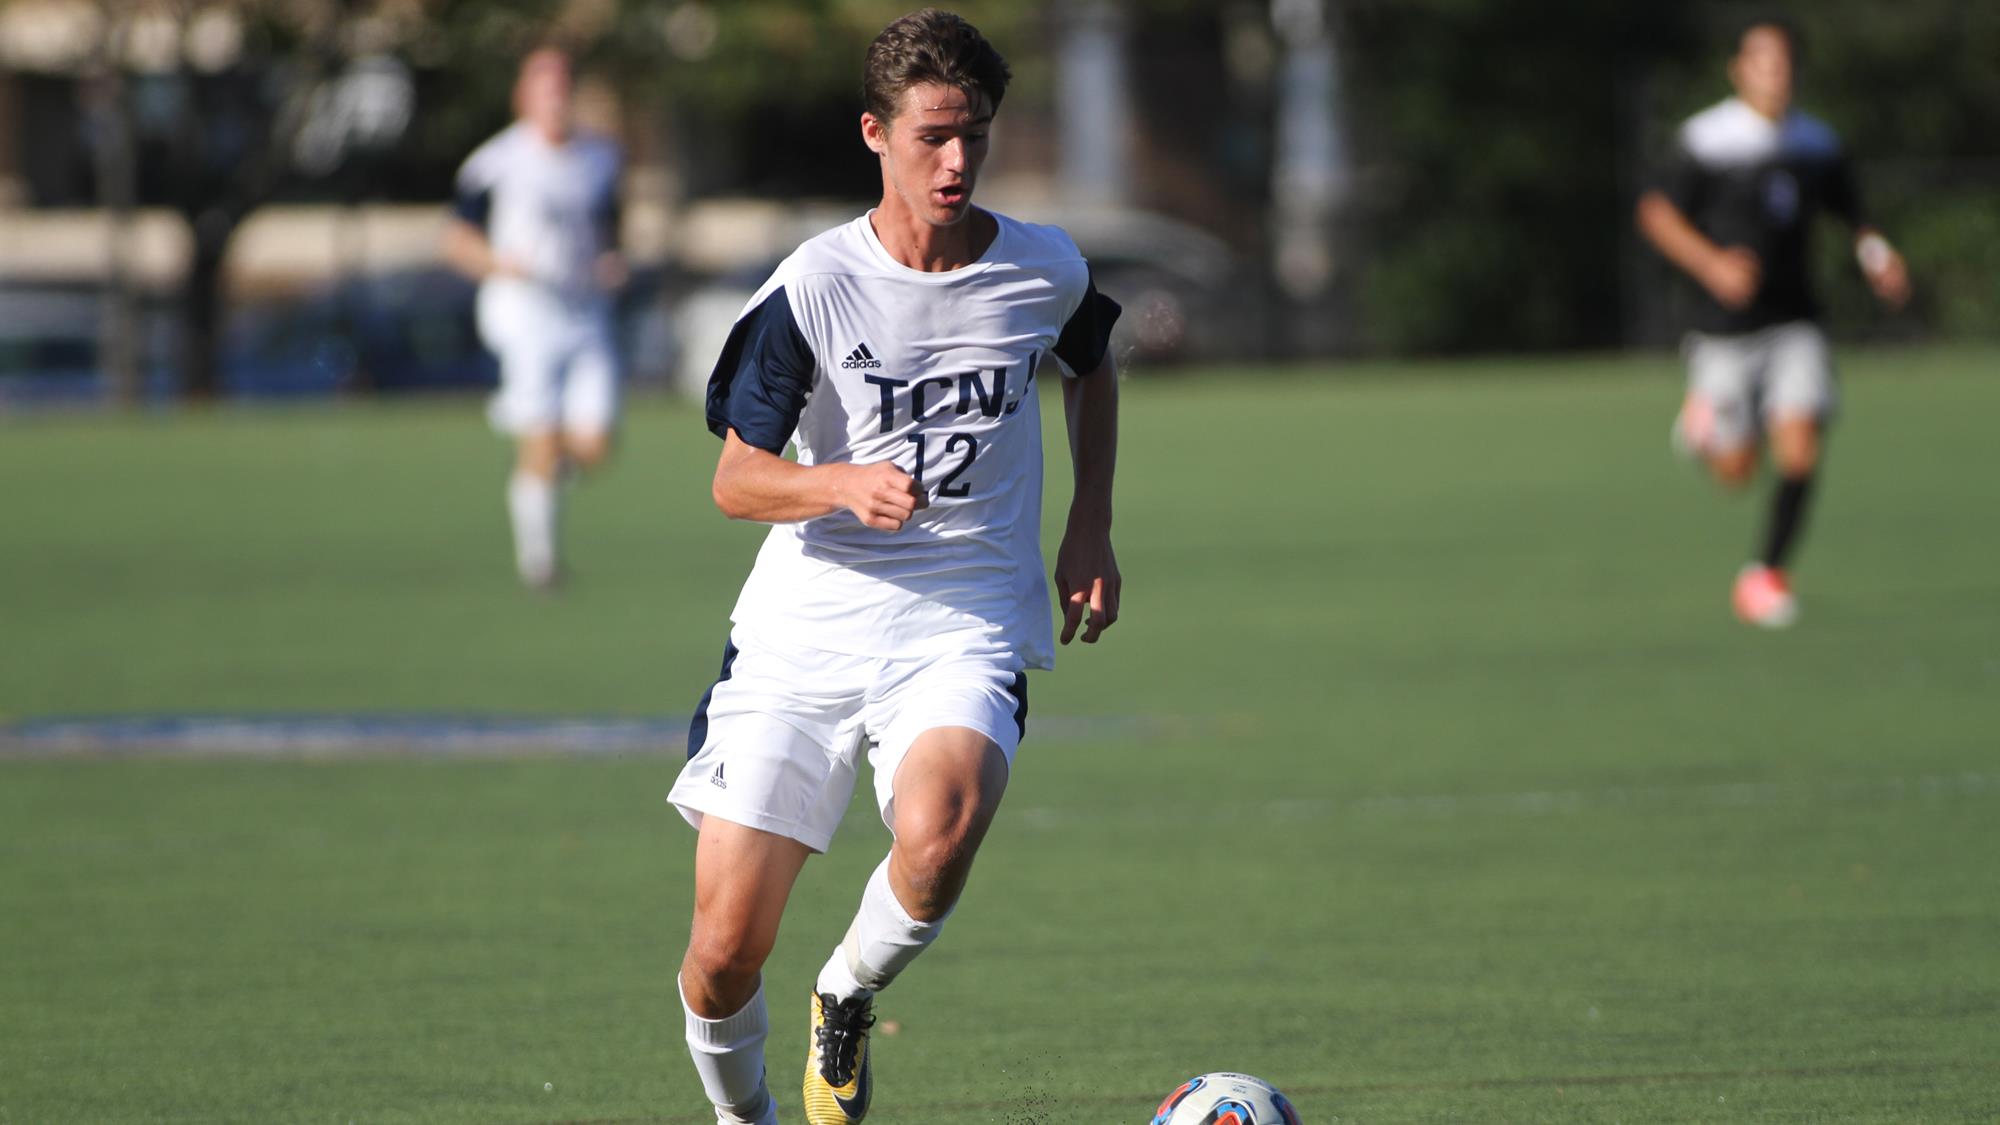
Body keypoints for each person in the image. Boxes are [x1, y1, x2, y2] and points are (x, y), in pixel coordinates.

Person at [665, 10, 1122, 1123]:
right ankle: (744, 1116)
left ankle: (846, 991)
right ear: (875, 133)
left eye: (975, 135)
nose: (957, 160)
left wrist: (1089, 525)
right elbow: (736, 481)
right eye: (932, 137)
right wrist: (837, 485)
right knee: (721, 955)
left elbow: (1091, 366)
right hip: (803, 634)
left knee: (941, 829)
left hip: (964, 613)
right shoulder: (814, 287)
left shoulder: (1043, 267)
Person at [1636, 16, 1909, 628]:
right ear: (1738, 70)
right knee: (1736, 473)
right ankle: (1707, 430)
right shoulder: (1706, 140)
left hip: (1796, 321)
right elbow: (1656, 214)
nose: (1774, 75)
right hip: (1723, 329)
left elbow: (1854, 214)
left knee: (1801, 445)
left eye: (1783, 64)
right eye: (1762, 63)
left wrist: (1877, 256)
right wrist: (1712, 264)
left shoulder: (1816, 144)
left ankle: (1765, 574)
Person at [443, 47, 627, 590]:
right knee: (543, 435)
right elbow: (455, 240)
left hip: (583, 309)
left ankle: (534, 467)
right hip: (522, 310)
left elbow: (610, 230)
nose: (556, 99)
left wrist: (612, 262)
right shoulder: (495, 163)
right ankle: (540, 562)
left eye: (563, 88)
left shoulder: (600, 158)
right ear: (523, 96)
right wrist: (499, 263)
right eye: (546, 88)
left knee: (595, 445)